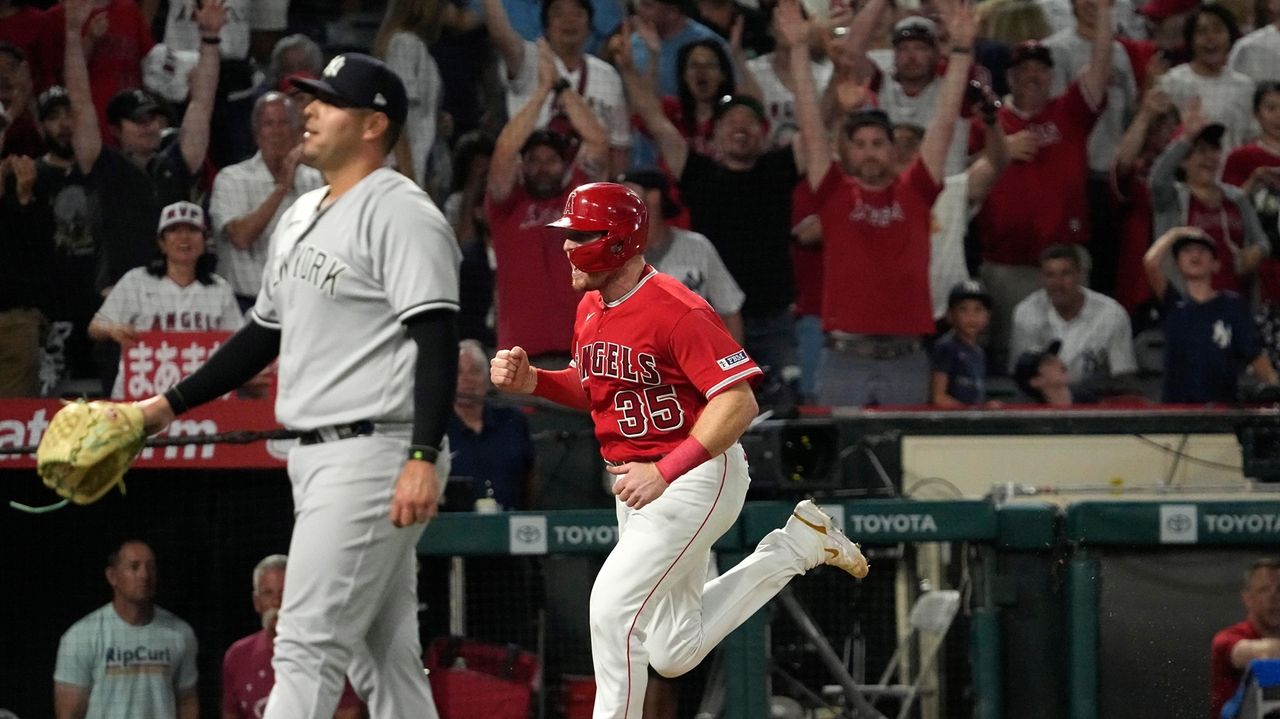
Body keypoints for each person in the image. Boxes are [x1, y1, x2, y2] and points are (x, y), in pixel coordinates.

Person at [133, 52, 461, 718]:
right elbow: (263, 334)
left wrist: (423, 457)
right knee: (385, 657)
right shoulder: (305, 211)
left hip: (377, 452)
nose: (306, 112)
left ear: (375, 126)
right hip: (322, 456)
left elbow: (437, 338)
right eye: (309, 98)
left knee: (304, 646)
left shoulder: (401, 211)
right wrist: (164, 405)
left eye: (327, 102)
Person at [490, 180, 869, 718]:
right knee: (672, 651)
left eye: (581, 234)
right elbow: (595, 385)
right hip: (641, 482)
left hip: (694, 475)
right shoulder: (592, 305)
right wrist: (536, 383)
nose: (568, 246)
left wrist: (666, 472)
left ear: (620, 242)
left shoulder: (676, 308)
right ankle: (795, 548)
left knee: (611, 609)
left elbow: (737, 404)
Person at [789, 0, 975, 406]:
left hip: (907, 356)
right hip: (844, 356)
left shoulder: (917, 191)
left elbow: (943, 122)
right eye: (860, 145)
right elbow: (810, 123)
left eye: (878, 144)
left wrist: (960, 53)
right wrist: (799, 52)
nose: (870, 152)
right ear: (847, 152)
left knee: (911, 466)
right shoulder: (834, 192)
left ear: (894, 150)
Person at [61, 0, 222, 293]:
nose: (149, 126)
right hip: (123, 297)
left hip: (179, 296)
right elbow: (80, 102)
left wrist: (210, 38)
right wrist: (73, 33)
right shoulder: (102, 165)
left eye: (153, 117)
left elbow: (202, 103)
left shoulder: (176, 160)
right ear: (115, 130)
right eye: (137, 120)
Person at [486, 40, 608, 363]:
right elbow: (504, 151)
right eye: (534, 159)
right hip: (521, 357)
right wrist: (540, 93)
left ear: (565, 164)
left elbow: (597, 141)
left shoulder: (580, 200)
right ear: (522, 166)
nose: (542, 166)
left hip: (584, 352)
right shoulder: (506, 207)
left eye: (551, 159)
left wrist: (560, 86)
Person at [88, 201, 244, 398]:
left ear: (205, 241)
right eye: (174, 230)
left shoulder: (219, 288)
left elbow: (237, 342)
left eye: (192, 230)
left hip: (203, 395)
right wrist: (113, 329)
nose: (184, 237)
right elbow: (95, 327)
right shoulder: (137, 281)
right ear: (161, 242)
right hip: (142, 392)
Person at [53, 539, 199, 719]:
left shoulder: (179, 633)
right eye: (134, 567)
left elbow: (186, 699)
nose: (144, 575)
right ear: (112, 576)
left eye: (151, 567)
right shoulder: (81, 636)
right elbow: (69, 713)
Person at [485, 0, 631, 174]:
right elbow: (500, 34)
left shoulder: (608, 75)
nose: (569, 20)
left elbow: (618, 146)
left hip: (587, 188)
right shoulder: (528, 61)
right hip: (530, 183)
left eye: (578, 14)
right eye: (558, 13)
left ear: (590, 25)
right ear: (546, 26)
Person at [209, 92, 325, 310]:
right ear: (256, 133)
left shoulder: (314, 180)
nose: (277, 132)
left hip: (297, 302)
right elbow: (241, 238)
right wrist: (281, 189)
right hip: (244, 302)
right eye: (268, 124)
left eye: (284, 123)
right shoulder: (231, 178)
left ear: (297, 132)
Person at [1144, 227, 1279, 403]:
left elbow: (1253, 353)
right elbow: (1150, 262)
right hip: (1176, 413)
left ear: (1216, 264)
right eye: (1187, 251)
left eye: (1202, 251)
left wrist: (1274, 385)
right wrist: (1176, 233)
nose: (1195, 255)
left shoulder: (1232, 305)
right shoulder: (1174, 305)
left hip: (1222, 411)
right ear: (1177, 264)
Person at [222, 555, 364, 719]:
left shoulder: (327, 651)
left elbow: (349, 715)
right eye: (268, 593)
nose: (276, 602)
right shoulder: (237, 656)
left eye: (285, 592)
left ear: (300, 597)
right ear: (257, 602)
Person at [1149, 105, 1268, 298]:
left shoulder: (1237, 197)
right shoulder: (1172, 198)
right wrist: (1186, 139)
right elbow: (1157, 178)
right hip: (1186, 306)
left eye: (1214, 149)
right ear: (1183, 160)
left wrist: (1257, 251)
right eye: (1200, 150)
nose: (1209, 157)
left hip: (1234, 305)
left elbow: (1261, 240)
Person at [619, 168, 746, 345]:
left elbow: (729, 309)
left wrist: (735, 367)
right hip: (638, 362)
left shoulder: (697, 247)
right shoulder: (615, 253)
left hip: (692, 359)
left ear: (655, 197)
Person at [1008, 244, 1138, 391]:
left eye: (1066, 274)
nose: (1057, 283)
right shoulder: (1026, 312)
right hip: (1044, 402)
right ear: (1041, 278)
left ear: (1080, 275)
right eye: (1050, 275)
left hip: (1097, 401)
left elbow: (1123, 377)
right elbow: (1022, 378)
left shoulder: (1111, 314)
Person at [447, 339, 536, 511]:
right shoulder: (437, 429)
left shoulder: (513, 422)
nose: (467, 380)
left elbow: (531, 477)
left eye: (475, 371)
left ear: (488, 379)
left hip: (512, 524)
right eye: (459, 373)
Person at [1157, 4, 1254, 153]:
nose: (1211, 38)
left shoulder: (1246, 87)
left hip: (1231, 174)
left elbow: (1251, 139)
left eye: (1218, 30)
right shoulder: (1171, 82)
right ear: (1191, 40)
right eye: (1202, 32)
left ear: (1230, 36)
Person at [373, 0, 443, 189]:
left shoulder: (413, 44)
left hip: (413, 163)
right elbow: (395, 112)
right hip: (401, 166)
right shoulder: (404, 43)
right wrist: (408, 174)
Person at [1210, 558, 1280, 719]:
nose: (1274, 598)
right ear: (1247, 598)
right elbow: (1265, 654)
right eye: (1264, 590)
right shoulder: (1227, 639)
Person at [931, 280, 995, 407]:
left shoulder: (979, 352)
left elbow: (976, 394)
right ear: (950, 315)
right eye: (963, 309)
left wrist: (985, 406)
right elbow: (938, 397)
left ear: (987, 317)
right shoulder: (946, 347)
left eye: (978, 309)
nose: (971, 316)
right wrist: (970, 411)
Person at [1012, 339, 1095, 405]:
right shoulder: (1029, 415)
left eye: (1056, 358)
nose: (1061, 363)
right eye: (1049, 363)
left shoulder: (1088, 400)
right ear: (1035, 381)